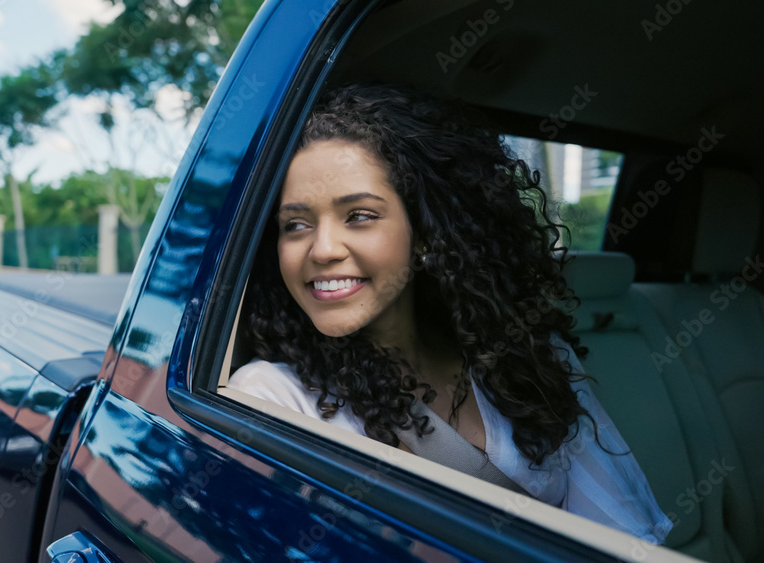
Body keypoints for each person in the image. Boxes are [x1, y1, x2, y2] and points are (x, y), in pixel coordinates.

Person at [227, 83, 672, 544]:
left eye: (359, 215)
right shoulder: (272, 398)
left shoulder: (529, 361)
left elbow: (624, 539)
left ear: (423, 236)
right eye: (295, 225)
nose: (321, 250)